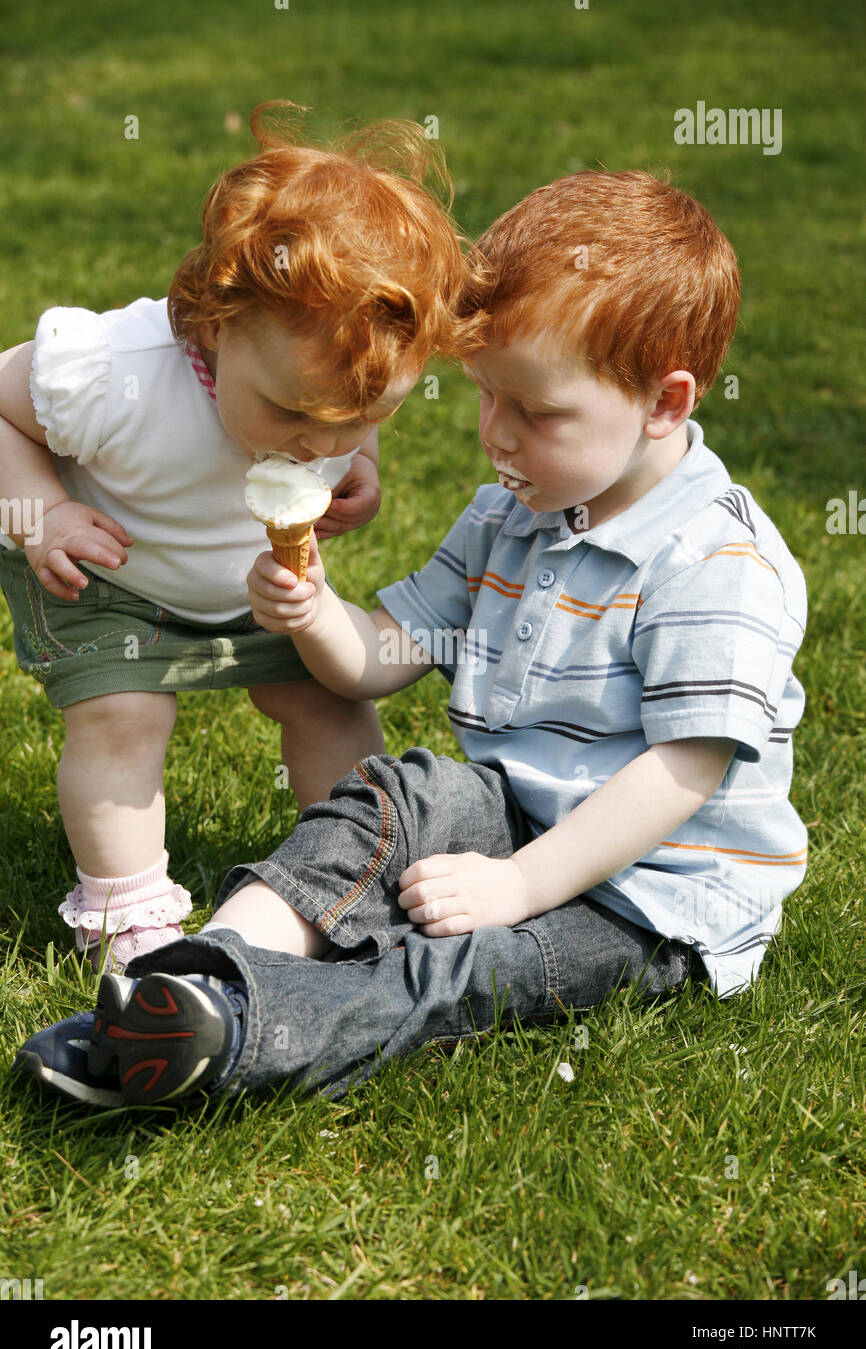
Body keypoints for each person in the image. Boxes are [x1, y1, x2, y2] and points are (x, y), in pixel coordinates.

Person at [13, 170, 808, 1110]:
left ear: (665, 405)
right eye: (484, 397)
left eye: (538, 413)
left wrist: (518, 887)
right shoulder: (511, 516)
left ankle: (229, 1038)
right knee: (385, 801)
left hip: (654, 896)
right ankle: (188, 979)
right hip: (512, 812)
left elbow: (680, 775)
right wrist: (313, 612)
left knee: (463, 969)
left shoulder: (714, 559)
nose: (495, 439)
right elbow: (384, 660)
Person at [0, 101, 483, 970]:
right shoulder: (116, 374)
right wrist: (45, 512)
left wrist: (357, 471)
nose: (322, 443)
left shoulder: (327, 386)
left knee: (331, 698)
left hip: (249, 580)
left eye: (365, 417)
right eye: (296, 413)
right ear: (218, 329)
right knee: (124, 714)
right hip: (111, 570)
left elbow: (337, 420)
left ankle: (348, 873)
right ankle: (128, 919)